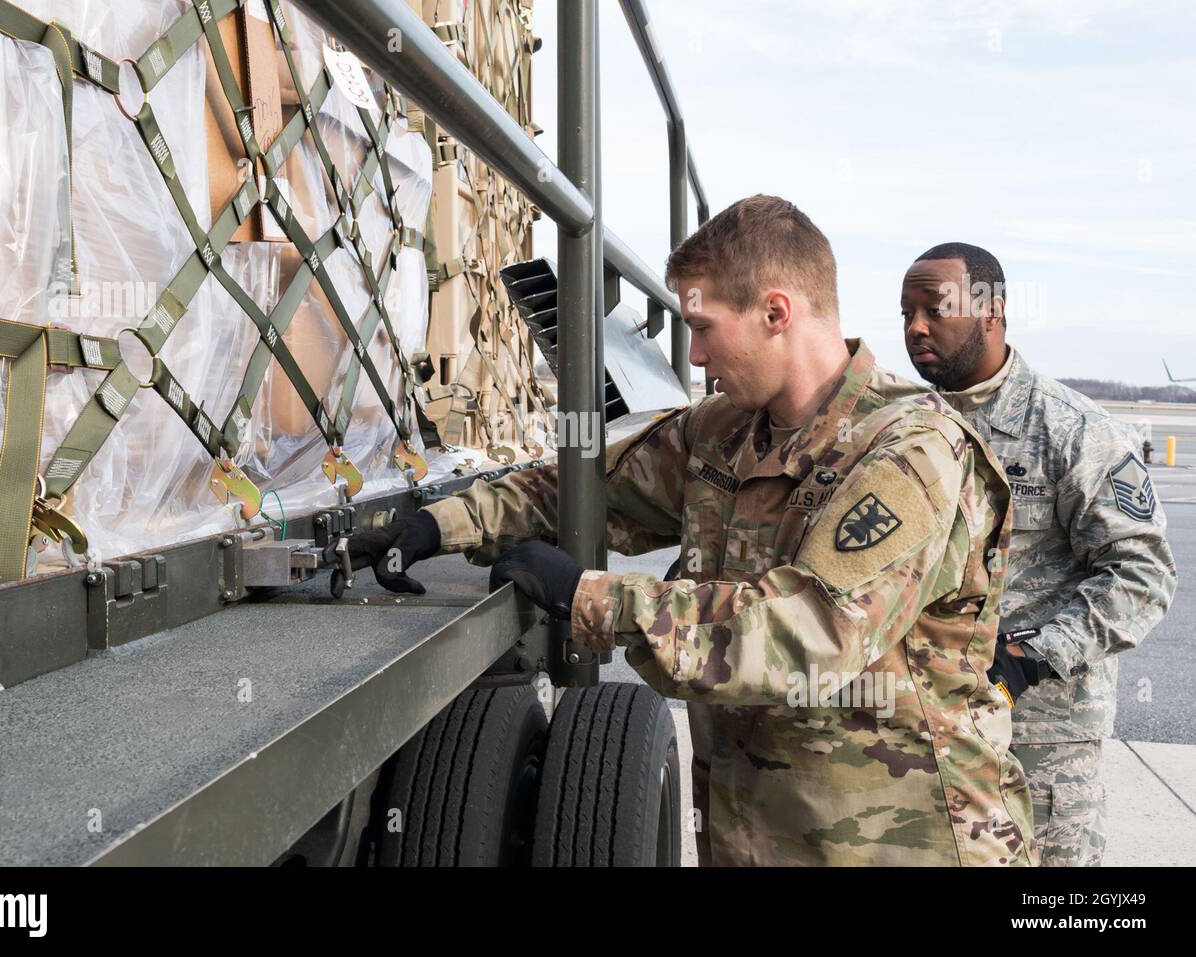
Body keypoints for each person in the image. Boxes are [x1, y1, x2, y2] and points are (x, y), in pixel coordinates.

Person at [352, 196, 1036, 866]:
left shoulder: (912, 454)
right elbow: (582, 487)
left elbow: (805, 634)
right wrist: (434, 524)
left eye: (704, 327)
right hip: (759, 834)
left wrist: (592, 596)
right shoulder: (722, 430)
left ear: (775, 312)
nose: (696, 355)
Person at [901, 242, 1176, 866]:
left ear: (993, 311)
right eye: (906, 313)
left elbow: (1142, 574)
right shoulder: (905, 426)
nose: (916, 327)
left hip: (1038, 741)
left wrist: (1032, 655)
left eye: (934, 308)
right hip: (919, 730)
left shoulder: (1073, 431)